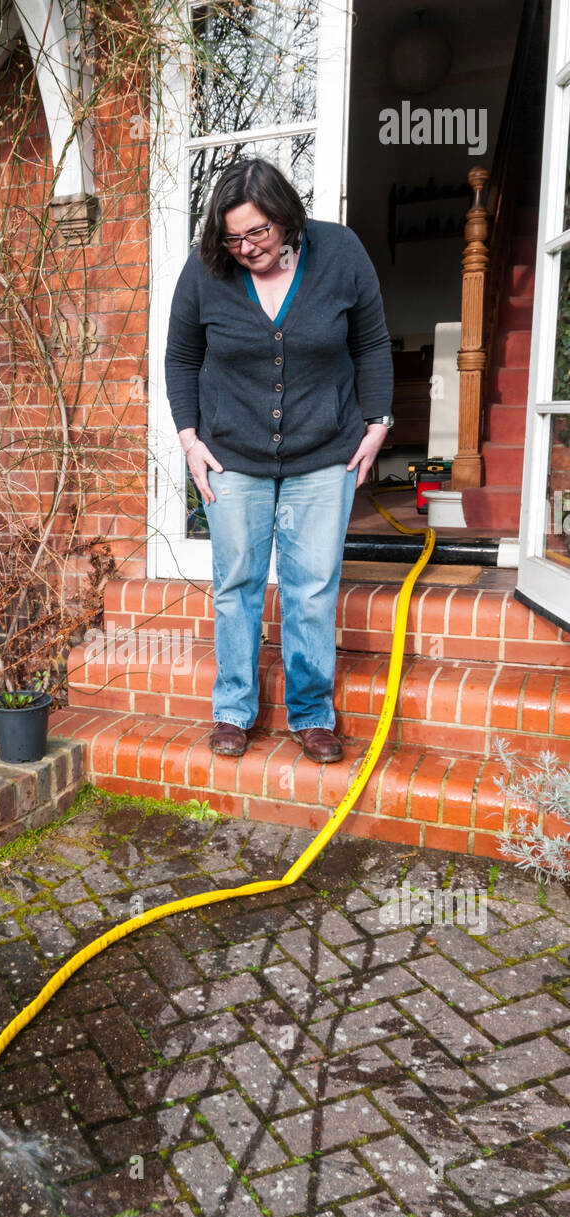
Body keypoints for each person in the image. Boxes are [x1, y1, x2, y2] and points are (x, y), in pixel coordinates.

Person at [164, 158, 394, 763]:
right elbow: (181, 357)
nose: (246, 248)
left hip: (325, 454)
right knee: (236, 582)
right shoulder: (206, 269)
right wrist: (190, 440)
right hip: (230, 456)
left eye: (258, 233)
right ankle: (233, 711)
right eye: (233, 237)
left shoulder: (340, 252)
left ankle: (312, 713)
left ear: (286, 218)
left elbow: (370, 342)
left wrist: (378, 424)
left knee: (311, 587)